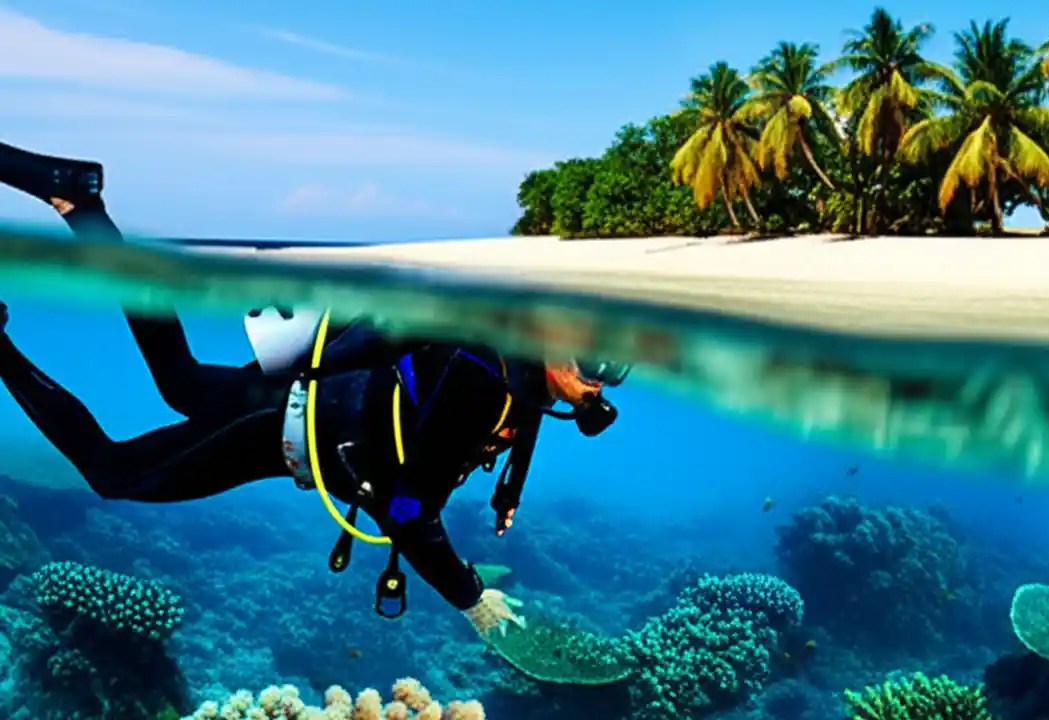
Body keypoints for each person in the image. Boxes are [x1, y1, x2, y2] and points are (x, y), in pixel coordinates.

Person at [0, 140, 631, 638]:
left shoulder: (515, 362)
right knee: (113, 473)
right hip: (290, 428)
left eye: (615, 368)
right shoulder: (487, 381)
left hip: (303, 395)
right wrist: (468, 596)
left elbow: (521, 415)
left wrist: (508, 493)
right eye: (591, 355)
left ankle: (80, 206)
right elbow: (408, 511)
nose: (597, 378)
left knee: (181, 379)